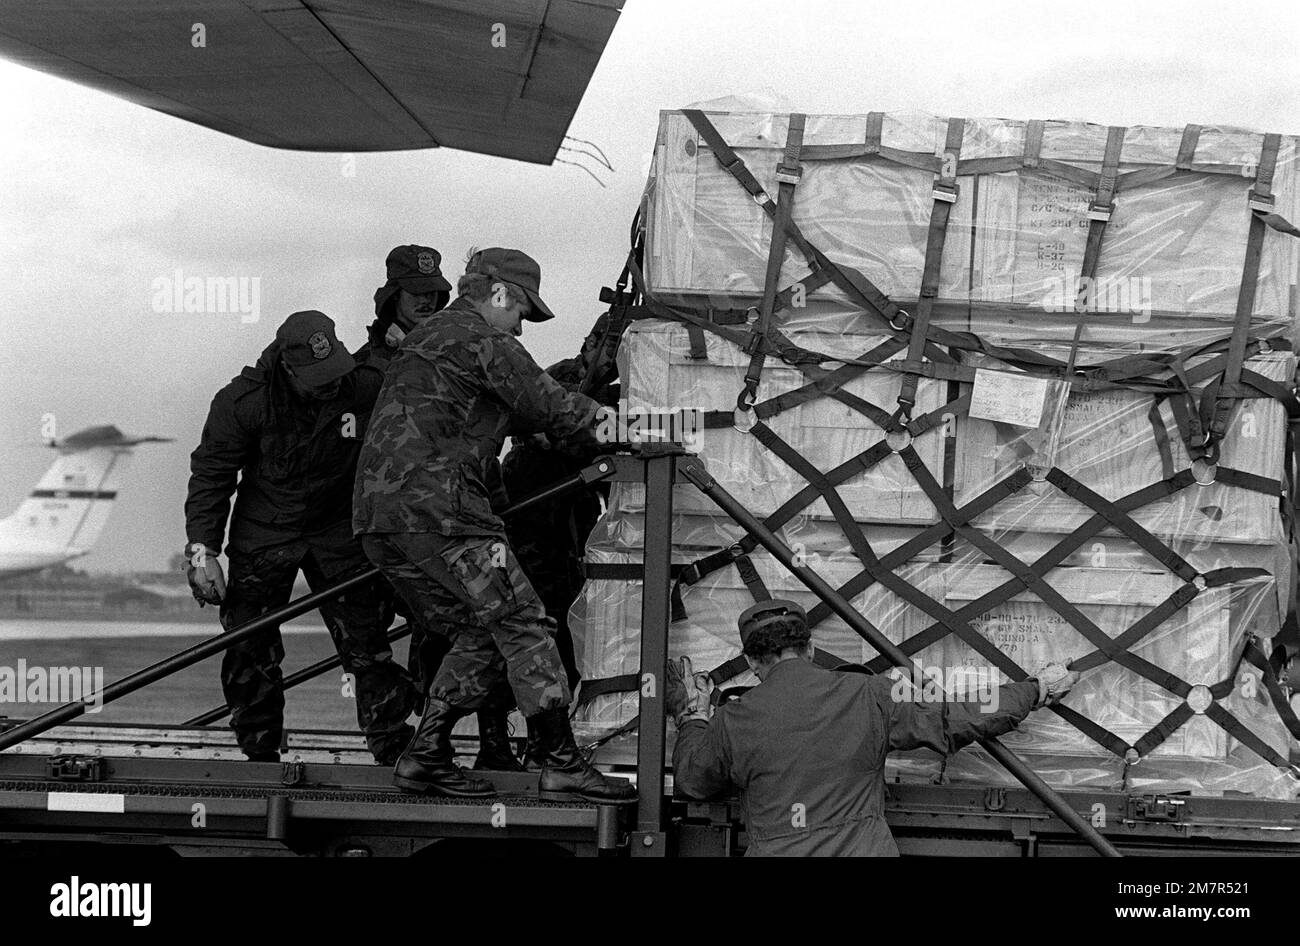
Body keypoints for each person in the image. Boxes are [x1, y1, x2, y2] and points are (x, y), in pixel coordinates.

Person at [354, 247, 635, 803]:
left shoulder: (425, 341)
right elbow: (554, 407)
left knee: (479, 628)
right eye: (522, 313)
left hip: (382, 519)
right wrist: (647, 427)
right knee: (526, 623)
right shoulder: (481, 340)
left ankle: (427, 755)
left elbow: (470, 440)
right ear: (500, 293)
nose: (521, 330)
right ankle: (561, 761)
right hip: (442, 513)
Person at [184, 310, 417, 764]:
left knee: (367, 643)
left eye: (335, 372)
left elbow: (411, 390)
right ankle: (259, 750)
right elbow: (211, 477)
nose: (330, 384)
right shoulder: (243, 402)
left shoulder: (363, 383)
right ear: (287, 368)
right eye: (317, 377)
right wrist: (201, 552)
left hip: (336, 531)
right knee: (250, 644)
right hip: (265, 532)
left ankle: (391, 744)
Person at [668, 599, 1079, 856]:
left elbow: (692, 780)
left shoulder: (733, 720)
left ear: (753, 662)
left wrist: (693, 716)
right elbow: (958, 715)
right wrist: (1034, 690)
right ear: (810, 649)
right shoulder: (868, 694)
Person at [354, 243, 520, 771]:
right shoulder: (362, 372)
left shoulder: (460, 344)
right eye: (417, 295)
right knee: (380, 645)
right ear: (391, 299)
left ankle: (483, 741)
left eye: (437, 294)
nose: (428, 303)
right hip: (394, 525)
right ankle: (406, 746)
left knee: (474, 625)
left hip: (454, 511)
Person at [354, 244, 452, 371]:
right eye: (416, 292)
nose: (425, 300)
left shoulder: (453, 348)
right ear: (395, 295)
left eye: (432, 292)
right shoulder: (368, 368)